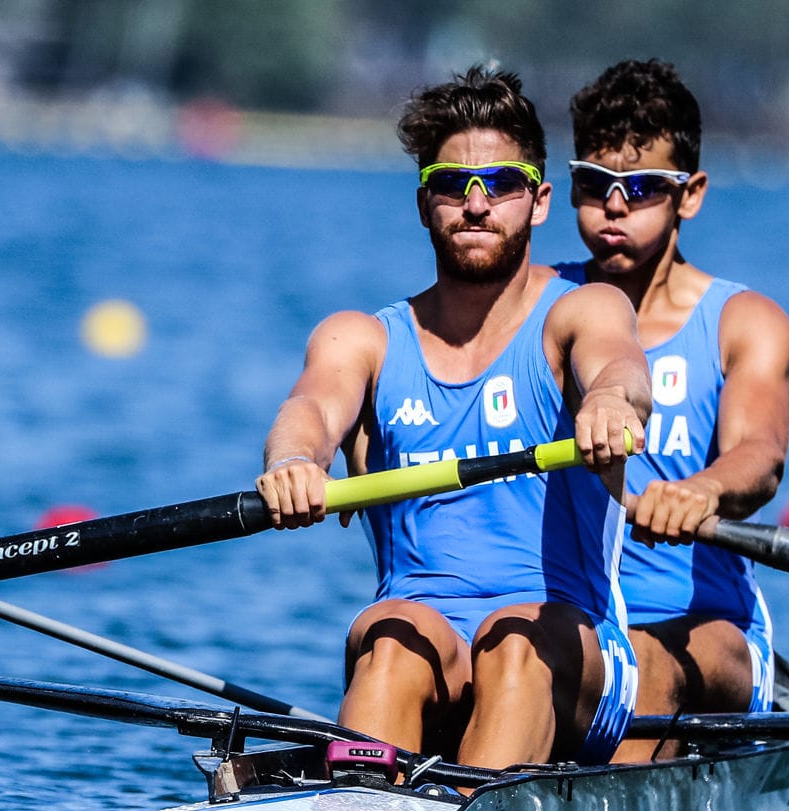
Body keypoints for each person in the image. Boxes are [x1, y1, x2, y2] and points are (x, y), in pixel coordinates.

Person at [255, 66, 652, 771]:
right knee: (390, 635)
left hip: (570, 653)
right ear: (422, 204)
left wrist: (610, 405)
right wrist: (294, 461)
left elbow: (619, 366)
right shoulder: (364, 338)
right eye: (451, 185)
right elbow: (311, 407)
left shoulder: (580, 311)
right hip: (425, 645)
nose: (475, 205)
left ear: (538, 200)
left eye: (499, 183)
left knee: (513, 641)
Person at [558, 60, 789, 756]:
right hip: (576, 622)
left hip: (705, 632)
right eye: (593, 185)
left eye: (640, 189)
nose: (613, 207)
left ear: (689, 195)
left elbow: (761, 456)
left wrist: (702, 491)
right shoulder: (545, 306)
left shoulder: (744, 321)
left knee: (646, 661)